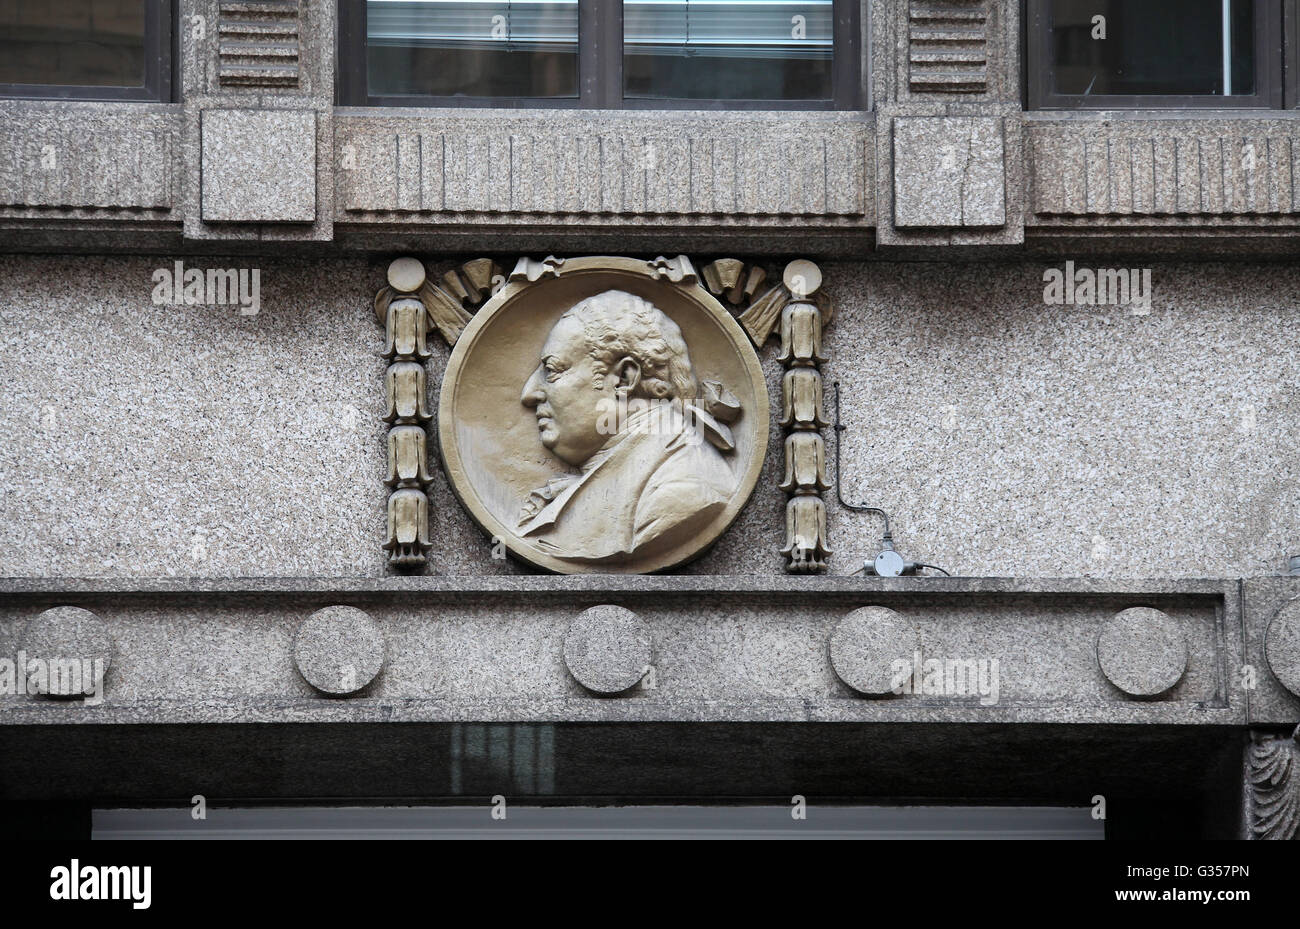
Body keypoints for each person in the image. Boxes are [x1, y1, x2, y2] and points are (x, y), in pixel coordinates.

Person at [517, 289, 738, 563]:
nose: (529, 394)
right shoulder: (649, 465)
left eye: (552, 370)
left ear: (623, 378)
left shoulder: (685, 489)